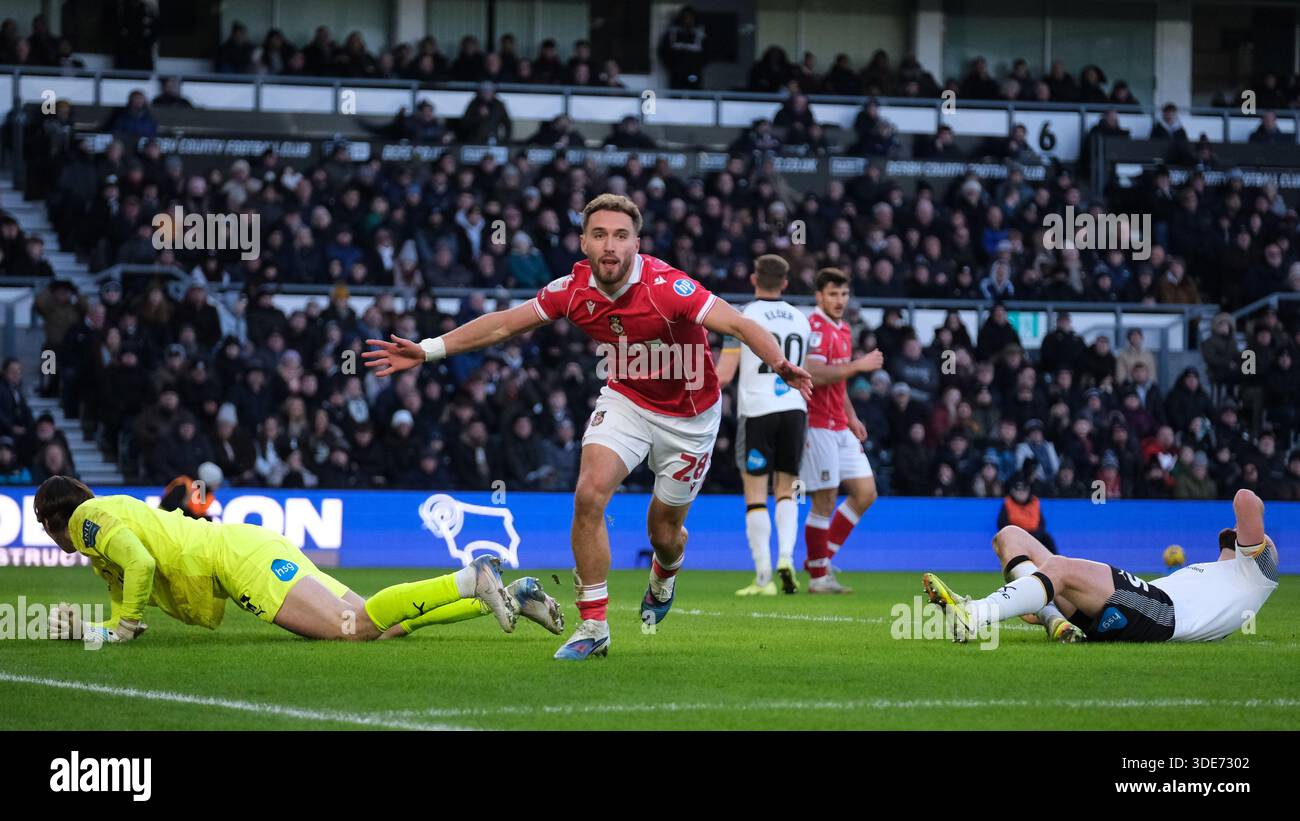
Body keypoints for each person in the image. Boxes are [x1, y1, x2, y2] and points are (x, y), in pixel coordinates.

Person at [364, 194, 812, 659]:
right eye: (599, 235)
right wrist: (429, 349)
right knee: (589, 493)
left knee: (663, 532)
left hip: (690, 419)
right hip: (627, 401)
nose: (610, 245)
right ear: (583, 242)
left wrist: (780, 363)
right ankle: (594, 624)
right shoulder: (573, 289)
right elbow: (503, 325)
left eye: (621, 235)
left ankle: (666, 570)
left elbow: (737, 325)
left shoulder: (667, 287)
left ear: (637, 243)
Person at [37, 476, 565, 644]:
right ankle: (509, 593)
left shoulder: (88, 521)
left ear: (55, 517)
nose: (49, 534)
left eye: (44, 524)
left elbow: (141, 569)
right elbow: (129, 581)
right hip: (253, 548)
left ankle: (470, 577)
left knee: (354, 629)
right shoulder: (103, 527)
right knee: (385, 629)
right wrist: (98, 629)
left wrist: (125, 625)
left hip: (241, 564)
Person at [924, 489, 1279, 644]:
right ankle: (1053, 619)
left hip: (1161, 614)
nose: (1233, 537)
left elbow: (1245, 499)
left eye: (1237, 538)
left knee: (1059, 569)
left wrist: (1255, 537)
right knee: (1010, 536)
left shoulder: (1256, 577)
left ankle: (975, 614)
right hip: (1142, 604)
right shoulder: (1217, 575)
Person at [714, 254, 812, 596]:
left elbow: (724, 375)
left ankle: (762, 578)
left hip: (757, 412)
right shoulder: (802, 319)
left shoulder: (741, 317)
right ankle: (787, 557)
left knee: (755, 495)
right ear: (785, 283)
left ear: (754, 279)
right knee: (786, 490)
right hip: (794, 410)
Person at [798, 268, 885, 594]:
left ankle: (820, 559)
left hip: (839, 422)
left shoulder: (844, 329)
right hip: (817, 423)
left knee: (866, 493)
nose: (839, 300)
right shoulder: (814, 328)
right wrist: (859, 366)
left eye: (844, 294)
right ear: (819, 296)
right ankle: (819, 578)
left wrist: (851, 415)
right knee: (825, 498)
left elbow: (838, 380)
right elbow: (815, 373)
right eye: (833, 294)